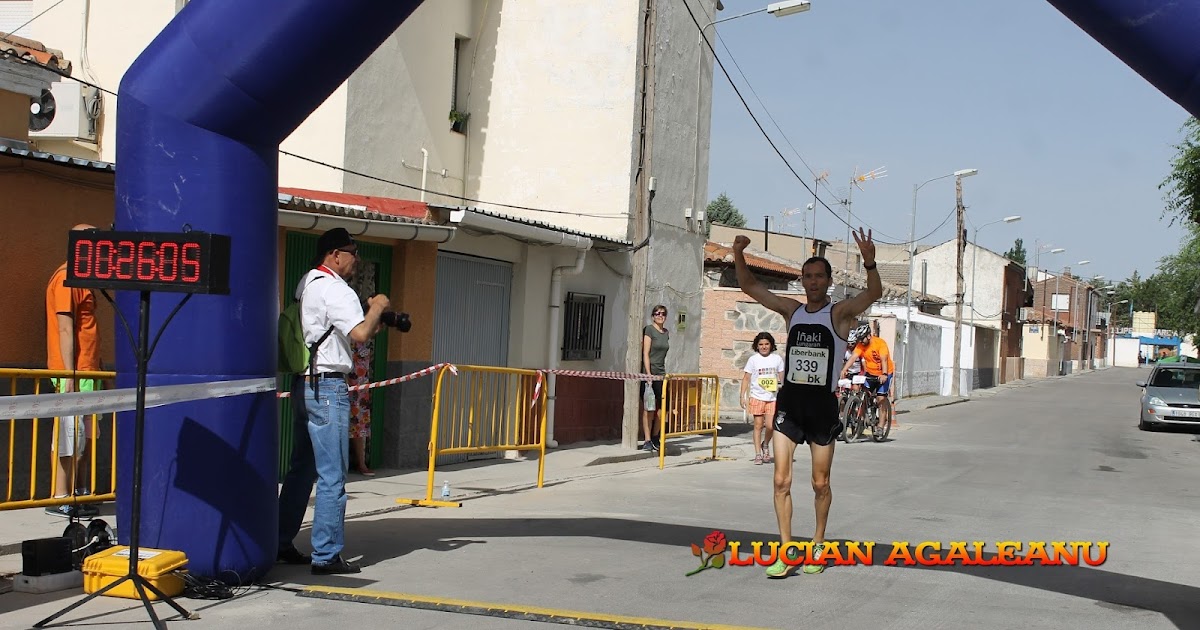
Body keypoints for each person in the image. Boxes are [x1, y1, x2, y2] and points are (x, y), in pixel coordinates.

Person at [732, 229, 881, 578]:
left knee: (820, 484)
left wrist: (869, 262)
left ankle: (817, 543)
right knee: (780, 480)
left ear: (828, 281)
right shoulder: (792, 311)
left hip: (821, 408)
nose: (813, 282)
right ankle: (786, 550)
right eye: (808, 276)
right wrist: (738, 253)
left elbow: (874, 293)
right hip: (790, 403)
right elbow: (750, 286)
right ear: (802, 280)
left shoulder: (839, 313)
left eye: (818, 276)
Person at [276, 228, 390, 575]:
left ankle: (279, 542)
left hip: (304, 384)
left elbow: (347, 332)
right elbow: (360, 334)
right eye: (352, 252)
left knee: (302, 469)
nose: (356, 259)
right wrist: (378, 306)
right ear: (335, 255)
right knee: (332, 475)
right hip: (327, 388)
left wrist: (373, 319)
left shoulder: (307, 283)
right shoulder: (336, 288)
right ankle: (326, 555)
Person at [45, 224, 102, 519]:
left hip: (88, 372)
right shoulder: (67, 277)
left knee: (84, 436)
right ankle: (61, 498)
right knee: (70, 435)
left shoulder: (82, 279)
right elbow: (65, 328)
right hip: (75, 372)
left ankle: (78, 493)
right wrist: (69, 375)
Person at [840, 323, 896, 432]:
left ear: (869, 336)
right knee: (863, 393)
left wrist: (884, 374)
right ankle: (862, 418)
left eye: (862, 339)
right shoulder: (861, 345)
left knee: (880, 398)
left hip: (884, 373)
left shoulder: (880, 343)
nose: (860, 341)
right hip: (870, 373)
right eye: (859, 339)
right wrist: (844, 369)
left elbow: (884, 359)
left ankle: (880, 426)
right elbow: (853, 357)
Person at [741, 332, 784, 465]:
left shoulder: (777, 359)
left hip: (772, 398)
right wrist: (742, 396)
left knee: (770, 426)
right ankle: (758, 454)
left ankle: (765, 444)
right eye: (761, 344)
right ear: (757, 346)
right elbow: (746, 378)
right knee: (758, 425)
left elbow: (782, 376)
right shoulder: (753, 360)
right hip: (757, 396)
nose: (764, 347)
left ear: (771, 345)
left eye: (766, 344)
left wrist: (784, 392)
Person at [640, 305, 670, 452]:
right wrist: (648, 374)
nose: (660, 316)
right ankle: (646, 440)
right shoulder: (649, 330)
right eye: (657, 313)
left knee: (663, 408)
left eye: (663, 314)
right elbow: (646, 353)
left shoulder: (666, 333)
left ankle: (655, 436)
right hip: (650, 375)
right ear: (653, 316)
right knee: (649, 407)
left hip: (662, 374)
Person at [349, 339, 374, 476]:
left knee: (359, 425)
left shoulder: (365, 340)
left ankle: (361, 463)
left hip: (361, 387)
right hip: (341, 383)